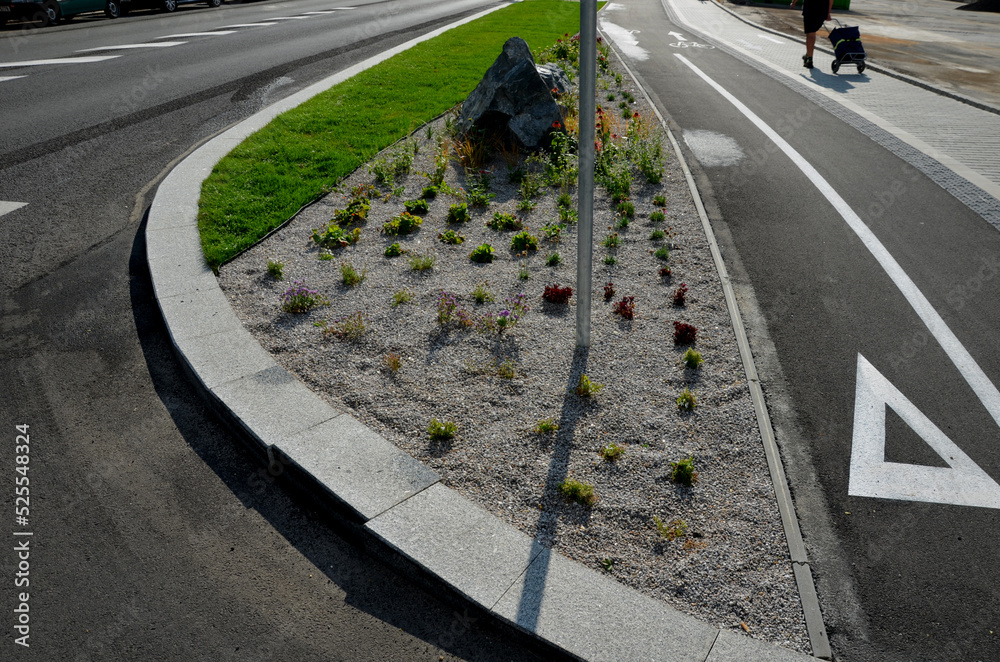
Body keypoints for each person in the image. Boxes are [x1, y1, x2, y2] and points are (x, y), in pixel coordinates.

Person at [790, 0, 834, 68]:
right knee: (811, 32)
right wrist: (828, 12)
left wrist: (793, 2)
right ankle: (808, 54)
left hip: (810, 9)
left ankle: (810, 60)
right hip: (822, 11)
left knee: (810, 33)